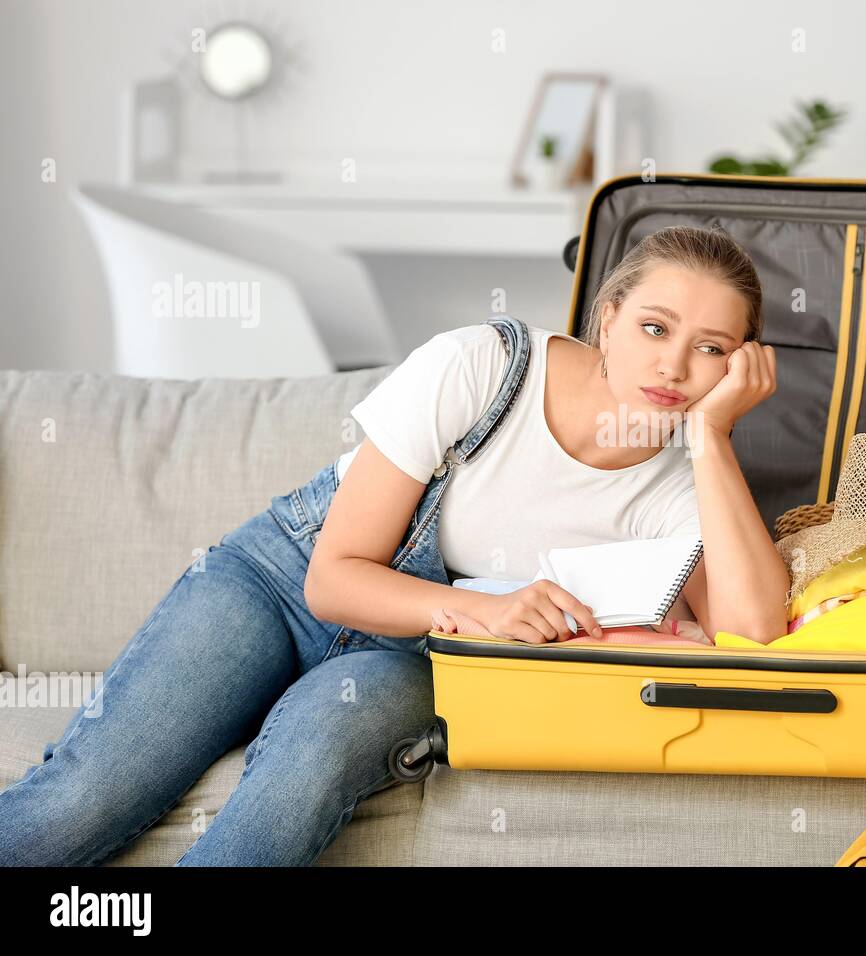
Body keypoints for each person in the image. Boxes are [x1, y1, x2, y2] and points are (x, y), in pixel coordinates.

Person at [0, 224, 788, 867]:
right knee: (83, 802)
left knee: (303, 773)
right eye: (655, 327)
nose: (674, 365)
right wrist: (487, 606)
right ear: (610, 316)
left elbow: (754, 631)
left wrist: (713, 438)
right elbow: (333, 582)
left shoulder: (680, 483)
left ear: (742, 366)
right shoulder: (482, 366)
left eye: (713, 348)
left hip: (417, 657)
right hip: (280, 586)